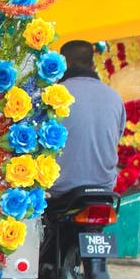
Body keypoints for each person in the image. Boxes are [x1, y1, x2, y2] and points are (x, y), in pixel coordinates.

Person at [50, 40, 127, 197]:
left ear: (63, 64)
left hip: (58, 192)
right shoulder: (114, 97)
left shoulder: (53, 96)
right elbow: (114, 139)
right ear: (92, 64)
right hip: (104, 190)